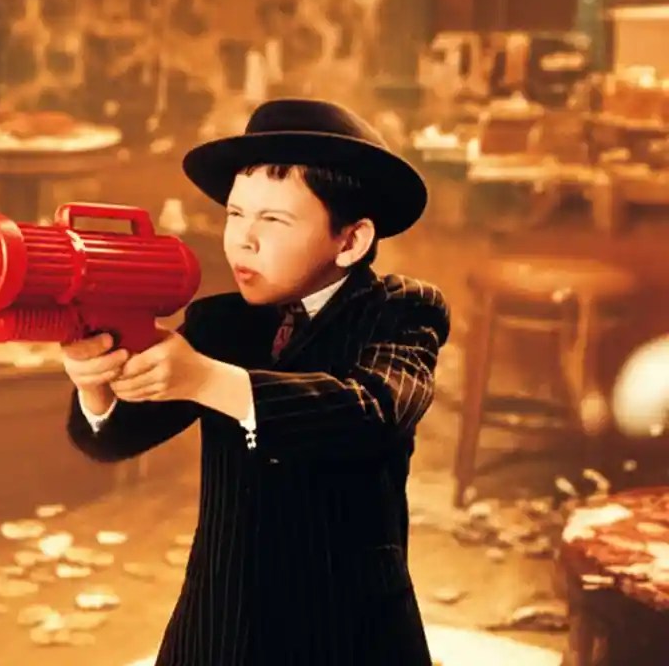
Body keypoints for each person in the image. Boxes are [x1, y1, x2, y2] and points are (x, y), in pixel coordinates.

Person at [61, 98, 449, 665]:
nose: (242, 239)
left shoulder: (401, 312)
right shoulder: (222, 322)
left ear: (351, 241)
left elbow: (370, 412)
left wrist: (208, 379)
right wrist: (95, 383)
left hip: (347, 621)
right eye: (235, 215)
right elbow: (118, 436)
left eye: (273, 221)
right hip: (222, 614)